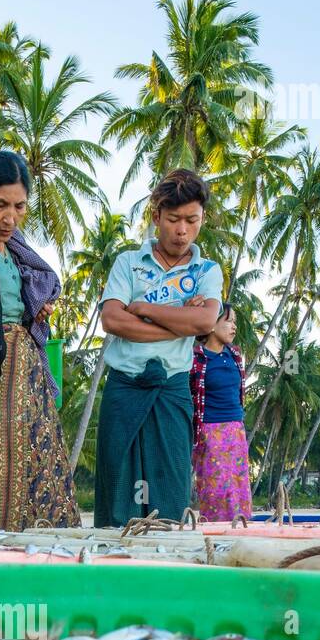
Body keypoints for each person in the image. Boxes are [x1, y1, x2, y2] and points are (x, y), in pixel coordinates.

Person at [0, 150, 81, 531]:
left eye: (19, 207)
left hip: (30, 371)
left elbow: (15, 300)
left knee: (44, 465)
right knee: (7, 473)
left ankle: (48, 556)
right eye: (0, 205)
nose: (10, 217)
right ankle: (0, 559)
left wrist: (33, 312)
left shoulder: (14, 248)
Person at [95, 169, 224, 525]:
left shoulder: (207, 270)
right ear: (156, 217)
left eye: (191, 220)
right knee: (116, 491)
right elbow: (113, 321)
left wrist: (146, 310)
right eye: (173, 219)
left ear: (202, 219)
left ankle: (165, 570)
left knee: (169, 492)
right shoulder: (128, 263)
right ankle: (113, 571)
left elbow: (205, 323)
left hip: (172, 392)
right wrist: (180, 321)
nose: (182, 230)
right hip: (124, 388)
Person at [190, 303, 252, 521]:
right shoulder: (196, 358)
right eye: (229, 321)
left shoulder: (235, 355)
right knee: (214, 486)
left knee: (238, 484)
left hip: (236, 429)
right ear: (211, 325)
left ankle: (240, 527)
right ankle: (215, 530)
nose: (234, 326)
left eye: (235, 321)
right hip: (209, 431)